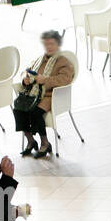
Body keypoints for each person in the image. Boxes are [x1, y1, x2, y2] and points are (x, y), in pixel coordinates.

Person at [14, 30, 74, 158]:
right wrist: (25, 78)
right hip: (33, 94)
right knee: (18, 109)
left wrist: (45, 80)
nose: (49, 47)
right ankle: (31, 141)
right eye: (46, 44)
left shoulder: (63, 61)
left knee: (35, 112)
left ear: (58, 44)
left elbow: (65, 79)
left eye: (52, 44)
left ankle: (45, 143)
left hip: (50, 96)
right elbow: (26, 71)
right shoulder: (39, 59)